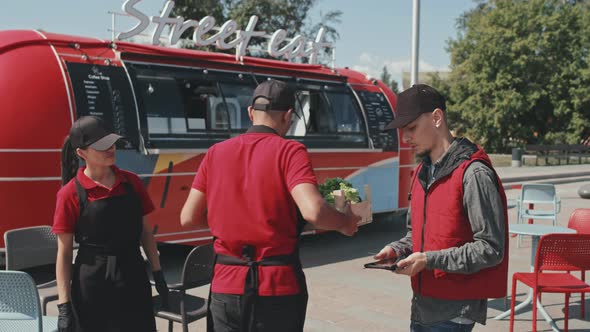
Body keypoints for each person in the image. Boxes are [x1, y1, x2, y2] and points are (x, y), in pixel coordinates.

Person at [180, 79, 361, 332]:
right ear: (288, 116)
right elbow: (314, 211)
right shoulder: (290, 151)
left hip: (225, 286)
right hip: (277, 288)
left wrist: (230, 224)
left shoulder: (215, 152)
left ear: (251, 113)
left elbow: (187, 217)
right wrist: (344, 223)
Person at [374, 84, 508, 332]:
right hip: (423, 304)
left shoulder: (473, 172)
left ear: (437, 117)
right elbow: (418, 235)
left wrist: (428, 260)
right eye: (403, 130)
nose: (405, 138)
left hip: (455, 312)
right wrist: (397, 249)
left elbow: (491, 248)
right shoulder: (422, 172)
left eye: (411, 128)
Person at [52, 116, 169, 332]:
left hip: (132, 275)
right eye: (101, 146)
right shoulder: (69, 194)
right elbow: (64, 253)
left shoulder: (132, 182)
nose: (110, 148)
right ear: (81, 153)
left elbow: (146, 233)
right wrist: (64, 305)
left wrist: (158, 273)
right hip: (91, 284)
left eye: (111, 142)